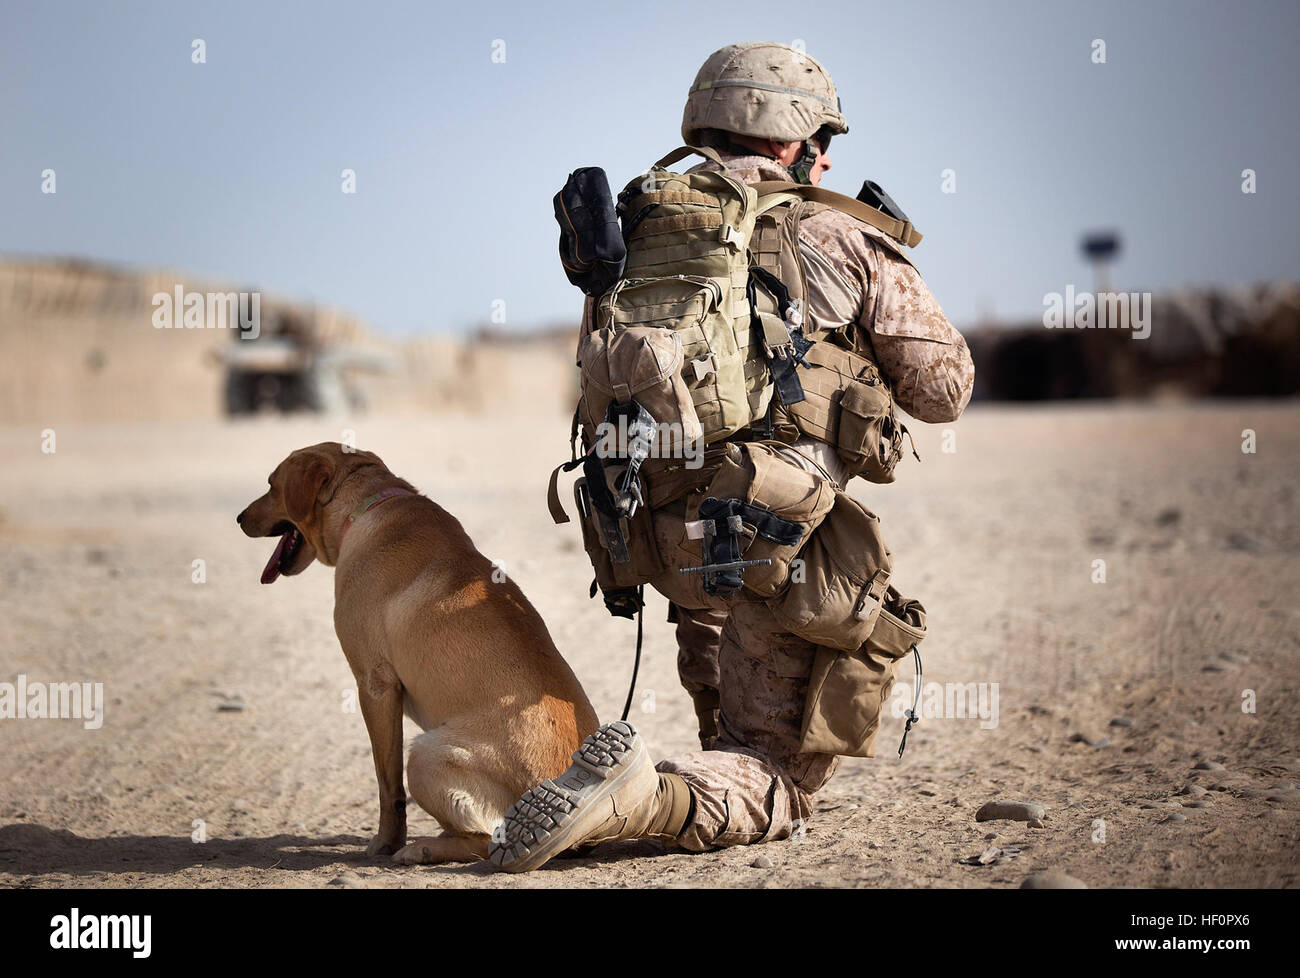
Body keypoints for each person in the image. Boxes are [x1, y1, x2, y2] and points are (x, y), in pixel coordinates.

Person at [490, 41, 974, 873]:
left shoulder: (635, 232)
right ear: (792, 140)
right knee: (778, 775)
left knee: (729, 740)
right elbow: (944, 389)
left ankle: (675, 786)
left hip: (663, 543)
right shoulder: (835, 230)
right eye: (822, 137)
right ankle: (637, 793)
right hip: (774, 546)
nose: (826, 155)